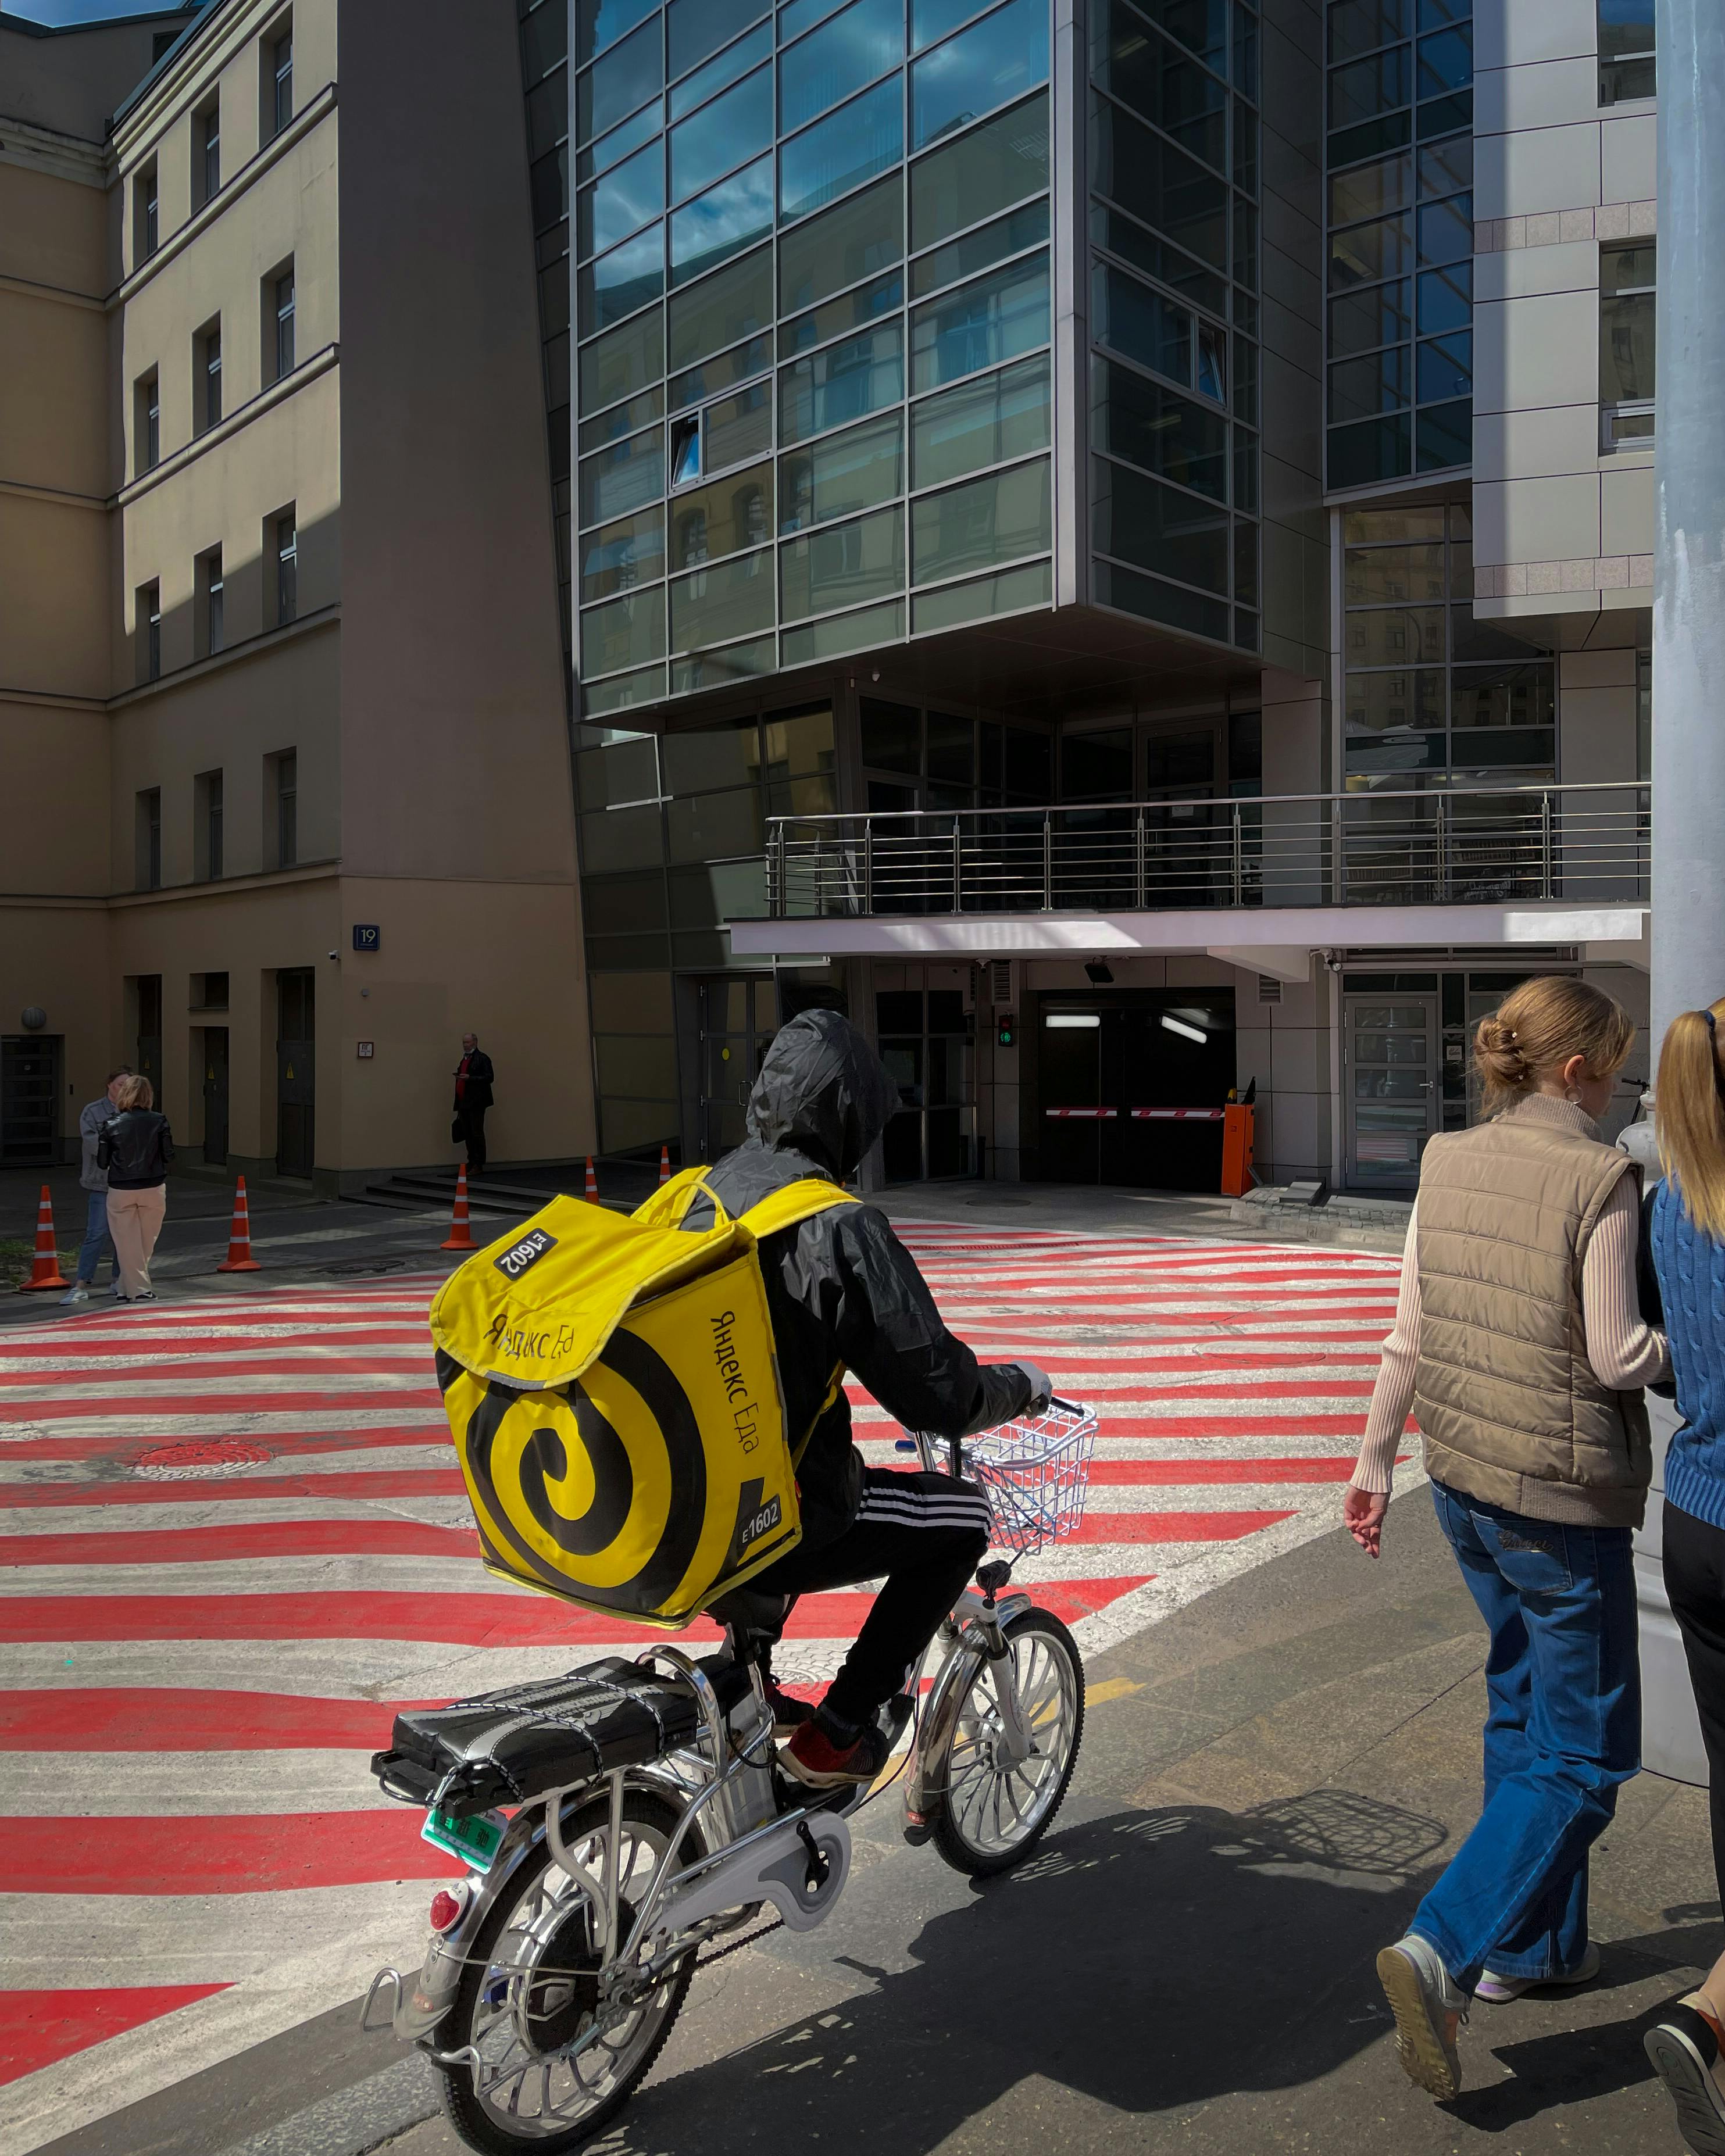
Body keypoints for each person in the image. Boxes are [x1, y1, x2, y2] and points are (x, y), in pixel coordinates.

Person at [1342, 974, 1668, 2101]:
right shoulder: (1600, 1174)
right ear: (1574, 1071)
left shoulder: (1444, 1157)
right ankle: (1443, 1945)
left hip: (1460, 1483)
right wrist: (1691, 1346)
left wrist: (1371, 1464)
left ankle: (1531, 1948)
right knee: (1586, 1757)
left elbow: (1407, 1332)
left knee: (1520, 1708)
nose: (1619, 1087)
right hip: (1558, 1502)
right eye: (1613, 1068)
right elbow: (1618, 1352)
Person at [689, 1008, 1049, 1789]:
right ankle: (841, 1729)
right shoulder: (837, 1226)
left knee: (770, 1471)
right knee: (959, 1519)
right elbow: (938, 1395)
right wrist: (1018, 1386)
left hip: (681, 1505)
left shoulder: (699, 1194)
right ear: (847, 1117)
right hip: (780, 1514)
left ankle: (745, 1689)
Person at [1637, 997, 1725, 2153]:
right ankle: (1710, 2007)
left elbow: (1661, 1366)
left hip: (1695, 1520)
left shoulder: (1668, 1208)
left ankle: (1712, 2010)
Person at [97, 1074, 174, 1304]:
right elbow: (169, 1156)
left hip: (120, 1188)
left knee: (126, 1242)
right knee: (145, 1242)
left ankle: (127, 1287)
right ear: (149, 1096)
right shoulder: (159, 1121)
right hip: (153, 1186)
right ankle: (137, 1290)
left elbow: (102, 1162)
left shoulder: (110, 1124)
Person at [60, 1067, 132, 1305]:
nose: (124, 1089)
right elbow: (93, 1143)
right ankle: (81, 1284)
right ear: (109, 1084)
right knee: (97, 1232)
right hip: (102, 1181)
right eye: (121, 1084)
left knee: (124, 1235)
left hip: (128, 1183)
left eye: (129, 1085)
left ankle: (119, 1279)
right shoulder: (93, 1111)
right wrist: (120, 1155)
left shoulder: (135, 1110)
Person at [452, 1034, 494, 1177]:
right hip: (464, 1102)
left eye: (468, 1042)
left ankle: (479, 1163)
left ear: (475, 1042)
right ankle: (471, 1161)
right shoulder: (464, 1060)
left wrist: (470, 1078)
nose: (465, 1045)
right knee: (468, 1133)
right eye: (464, 1043)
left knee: (477, 1133)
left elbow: (490, 1077)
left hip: (477, 1102)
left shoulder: (482, 1058)